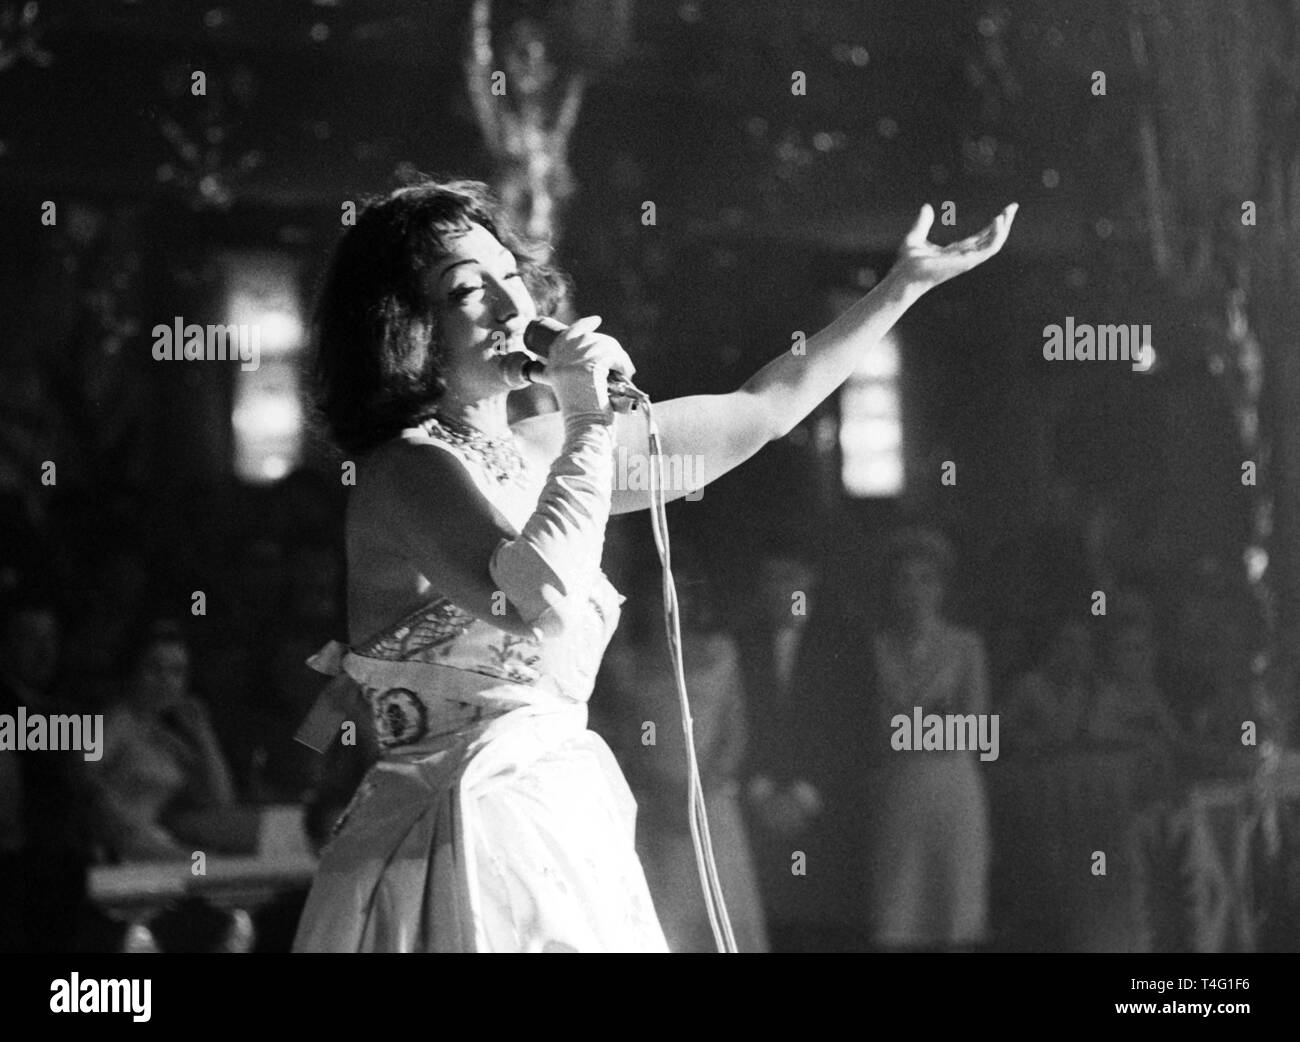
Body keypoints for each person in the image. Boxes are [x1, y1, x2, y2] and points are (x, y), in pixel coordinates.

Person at [291, 178, 1016, 952]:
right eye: (470, 290)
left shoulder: (545, 447)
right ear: (406, 328)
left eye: (513, 276)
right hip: (452, 828)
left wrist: (900, 289)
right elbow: (539, 597)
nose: (513, 307)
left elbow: (760, 411)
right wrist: (588, 418)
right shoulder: (409, 470)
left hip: (556, 810)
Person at [598, 553, 769, 952]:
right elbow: (627, 739)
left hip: (711, 805)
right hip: (656, 808)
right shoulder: (624, 663)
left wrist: (699, 794)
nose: (671, 601)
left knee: (720, 917)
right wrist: (664, 792)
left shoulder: (721, 652)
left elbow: (735, 731)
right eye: (659, 593)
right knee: (664, 919)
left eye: (681, 592)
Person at [859, 527, 993, 950]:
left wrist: (908, 726)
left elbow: (975, 729)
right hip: (901, 791)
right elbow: (877, 730)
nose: (915, 591)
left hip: (953, 790)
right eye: (904, 580)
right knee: (900, 911)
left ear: (942, 588)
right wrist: (931, 722)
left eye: (926, 580)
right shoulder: (876, 649)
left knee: (954, 913)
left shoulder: (966, 647)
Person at [93, 619, 253, 861]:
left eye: (176, 672)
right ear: (133, 669)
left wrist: (204, 735)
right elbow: (82, 776)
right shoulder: (118, 720)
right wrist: (116, 821)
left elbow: (220, 800)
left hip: (153, 846)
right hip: (115, 850)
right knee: (217, 870)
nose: (166, 680)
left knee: (233, 867)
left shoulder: (166, 739)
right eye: (154, 668)